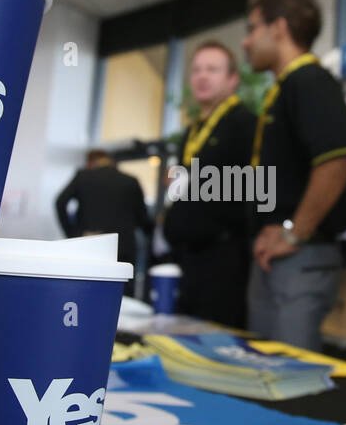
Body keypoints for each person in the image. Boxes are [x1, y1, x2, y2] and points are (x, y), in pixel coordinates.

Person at [242, 0, 346, 350]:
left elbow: (337, 158)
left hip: (301, 258)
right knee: (265, 372)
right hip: (281, 259)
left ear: (278, 28)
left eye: (253, 28)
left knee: (292, 380)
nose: (246, 42)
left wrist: (294, 232)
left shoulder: (310, 81)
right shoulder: (287, 88)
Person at [162, 41, 257, 328]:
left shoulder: (245, 123)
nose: (202, 76)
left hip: (226, 261)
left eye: (213, 70)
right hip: (189, 259)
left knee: (217, 342)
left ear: (232, 79)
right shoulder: (192, 130)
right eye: (197, 70)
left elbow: (257, 190)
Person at [54, 150, 152, 296]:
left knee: (85, 292)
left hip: (90, 243)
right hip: (123, 246)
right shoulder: (130, 181)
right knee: (122, 296)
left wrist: (73, 234)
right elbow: (143, 218)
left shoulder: (83, 176)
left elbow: (60, 202)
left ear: (90, 162)